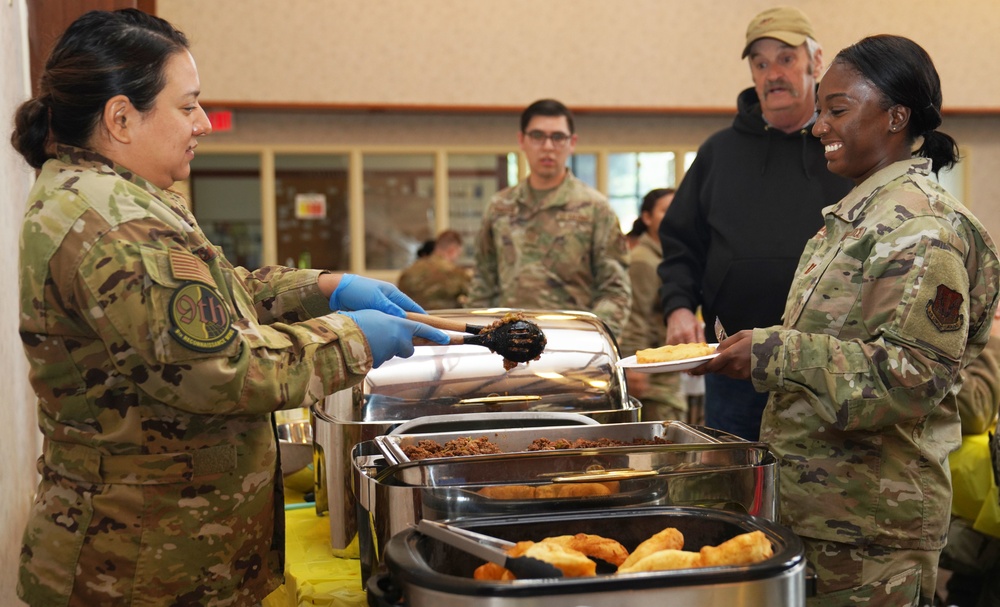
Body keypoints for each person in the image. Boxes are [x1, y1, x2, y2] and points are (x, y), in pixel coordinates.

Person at [9, 10, 448, 606]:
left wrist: (324, 285)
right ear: (120, 117)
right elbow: (219, 368)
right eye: (188, 105)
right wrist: (353, 338)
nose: (204, 123)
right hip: (137, 568)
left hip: (164, 552)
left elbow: (215, 299)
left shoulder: (119, 197)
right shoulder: (115, 223)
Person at [699, 34, 1000, 605]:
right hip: (824, 513)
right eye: (821, 112)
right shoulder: (859, 218)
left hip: (873, 530)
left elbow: (907, 380)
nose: (818, 128)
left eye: (837, 110)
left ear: (896, 116)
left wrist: (772, 353)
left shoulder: (921, 227)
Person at [657, 6, 853, 440]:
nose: (772, 74)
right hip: (733, 369)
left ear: (816, 62)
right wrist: (679, 306)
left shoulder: (844, 147)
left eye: (785, 58)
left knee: (820, 502)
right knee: (737, 497)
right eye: (760, 63)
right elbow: (680, 244)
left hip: (826, 366)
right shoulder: (718, 152)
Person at [466, 98, 632, 337]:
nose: (547, 146)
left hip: (574, 346)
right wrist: (482, 337)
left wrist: (594, 339)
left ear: (572, 143)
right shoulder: (500, 207)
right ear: (522, 140)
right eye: (537, 136)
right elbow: (483, 284)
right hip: (509, 345)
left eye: (557, 137)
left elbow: (615, 291)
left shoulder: (595, 209)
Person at [619, 189, 686, 420]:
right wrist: (636, 367)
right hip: (654, 380)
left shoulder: (665, 256)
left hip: (666, 370)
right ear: (647, 218)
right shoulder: (643, 261)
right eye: (665, 210)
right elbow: (635, 317)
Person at [397, 229, 470, 310]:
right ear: (452, 250)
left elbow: (399, 300)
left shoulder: (409, 271)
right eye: (458, 254)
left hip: (413, 320)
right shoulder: (456, 273)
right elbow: (475, 297)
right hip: (444, 320)